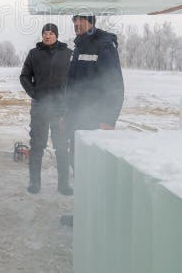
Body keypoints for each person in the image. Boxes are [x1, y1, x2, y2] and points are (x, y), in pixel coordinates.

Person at [60, 14, 124, 226]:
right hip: (77, 117)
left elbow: (114, 84)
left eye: (82, 21)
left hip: (94, 119)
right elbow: (73, 85)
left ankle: (96, 217)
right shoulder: (79, 46)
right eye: (74, 21)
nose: (77, 25)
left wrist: (108, 119)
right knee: (78, 165)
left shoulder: (104, 46)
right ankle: (83, 213)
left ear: (92, 22)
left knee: (92, 170)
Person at [19, 23, 72, 195]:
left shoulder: (67, 54)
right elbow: (24, 76)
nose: (47, 36)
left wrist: (68, 98)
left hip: (60, 108)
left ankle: (64, 185)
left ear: (56, 35)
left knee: (62, 146)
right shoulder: (34, 54)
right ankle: (34, 183)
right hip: (40, 107)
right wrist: (34, 93)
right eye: (45, 33)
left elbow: (74, 79)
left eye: (50, 33)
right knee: (37, 145)